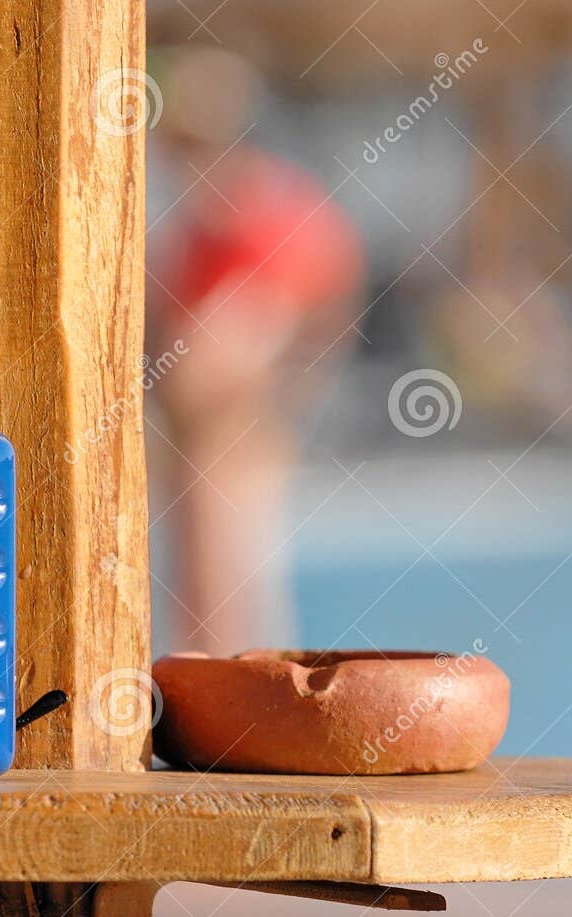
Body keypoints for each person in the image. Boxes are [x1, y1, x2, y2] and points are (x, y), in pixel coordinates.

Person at [147, 47, 363, 654]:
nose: (187, 163)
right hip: (203, 434)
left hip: (241, 430)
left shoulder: (272, 215)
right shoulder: (197, 230)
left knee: (230, 584)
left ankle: (239, 718)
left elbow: (229, 349)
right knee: (199, 589)